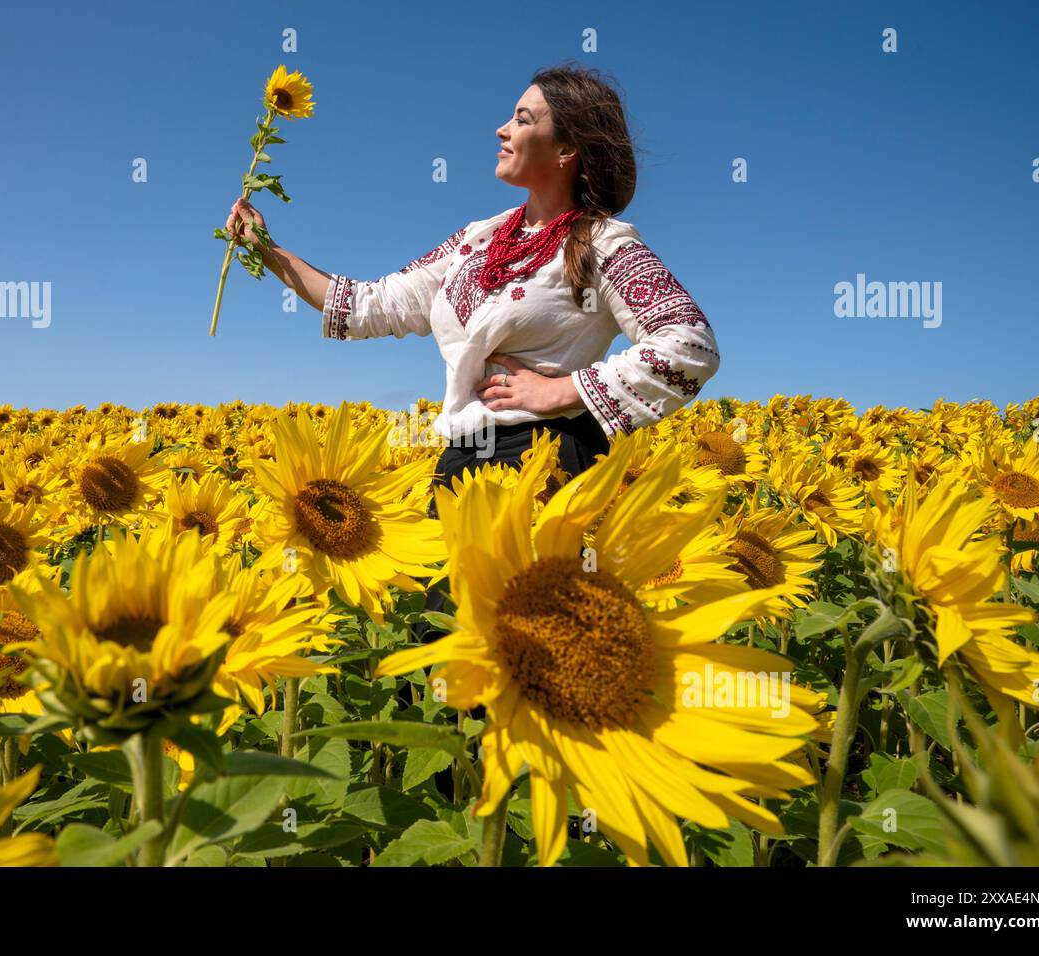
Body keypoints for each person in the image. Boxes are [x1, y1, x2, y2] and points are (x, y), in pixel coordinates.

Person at [223, 63, 720, 640]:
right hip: (458, 466)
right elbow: (368, 305)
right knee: (441, 644)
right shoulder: (476, 239)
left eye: (522, 118)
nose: (500, 130)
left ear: (567, 150)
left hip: (546, 464)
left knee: (522, 649)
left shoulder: (602, 242)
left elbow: (688, 342)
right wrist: (266, 248)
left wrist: (566, 389)